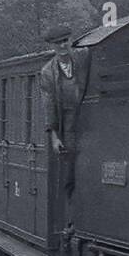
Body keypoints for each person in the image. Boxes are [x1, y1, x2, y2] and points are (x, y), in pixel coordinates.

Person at [39, 40, 92, 194]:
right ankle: (70, 198)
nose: (62, 46)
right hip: (67, 120)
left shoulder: (83, 57)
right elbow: (49, 106)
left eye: (65, 41)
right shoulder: (48, 72)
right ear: (52, 46)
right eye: (57, 43)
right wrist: (54, 137)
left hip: (88, 113)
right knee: (70, 158)